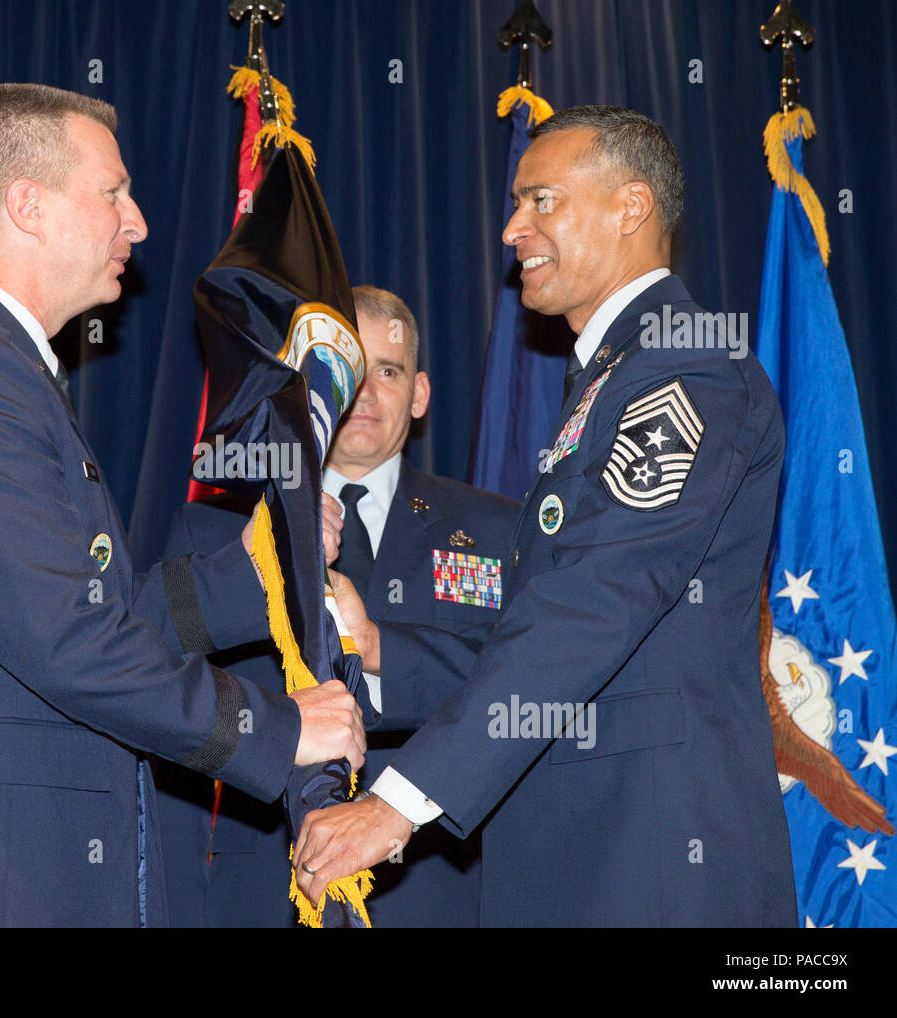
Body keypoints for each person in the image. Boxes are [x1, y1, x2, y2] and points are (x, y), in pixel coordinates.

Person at [0, 83, 364, 928]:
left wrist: (256, 568)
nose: (136, 221)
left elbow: (85, 613)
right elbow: (69, 642)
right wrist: (279, 730)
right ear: (26, 205)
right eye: (112, 193)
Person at [295, 106, 799, 926]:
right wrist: (386, 653)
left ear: (629, 209)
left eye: (541, 202)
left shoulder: (688, 361)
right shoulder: (616, 373)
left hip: (651, 869)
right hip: (584, 861)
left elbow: (597, 601)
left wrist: (400, 802)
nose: (510, 227)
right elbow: (546, 645)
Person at [154, 286, 518, 926]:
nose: (366, 394)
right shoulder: (214, 534)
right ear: (304, 387)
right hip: (260, 895)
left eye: (388, 370)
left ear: (421, 392)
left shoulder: (497, 530)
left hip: (445, 896)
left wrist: (379, 646)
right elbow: (163, 717)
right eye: (346, 370)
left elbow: (522, 689)